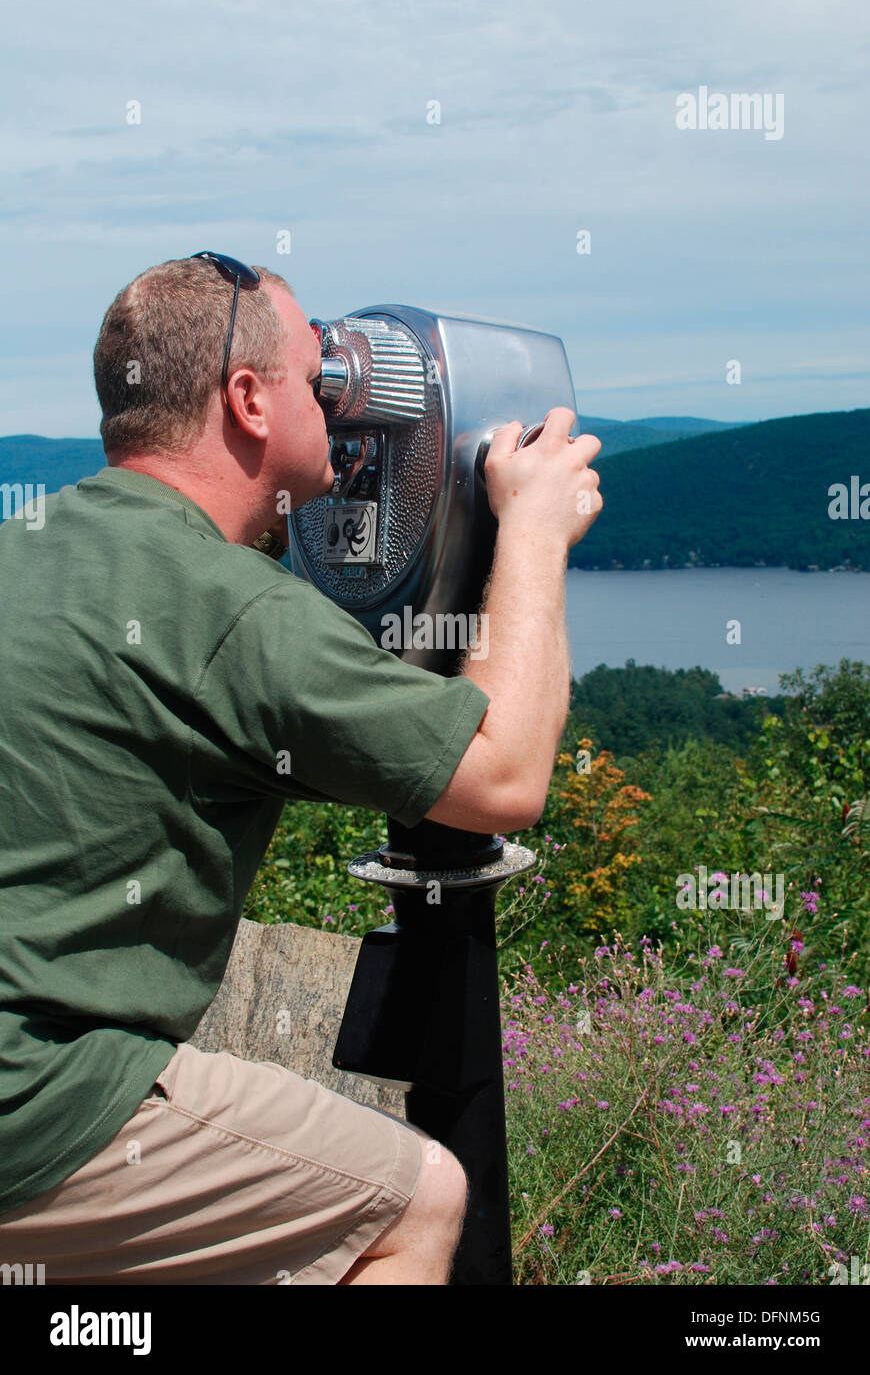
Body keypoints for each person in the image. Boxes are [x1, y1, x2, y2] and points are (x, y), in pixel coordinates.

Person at [0, 255, 602, 1285]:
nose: (340, 410)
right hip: (40, 1098)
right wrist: (533, 533)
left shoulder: (28, 545)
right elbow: (502, 775)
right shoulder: (231, 606)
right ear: (247, 400)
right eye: (319, 382)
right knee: (417, 1197)